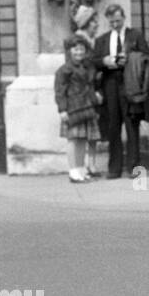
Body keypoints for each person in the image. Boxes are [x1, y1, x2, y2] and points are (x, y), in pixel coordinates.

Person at [92, 3, 149, 179]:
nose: (115, 25)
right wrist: (106, 61)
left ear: (124, 18)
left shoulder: (135, 35)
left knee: (132, 125)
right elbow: (94, 61)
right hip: (110, 84)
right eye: (112, 22)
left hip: (130, 85)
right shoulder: (102, 40)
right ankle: (114, 168)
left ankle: (135, 168)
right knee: (113, 126)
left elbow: (147, 57)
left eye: (117, 21)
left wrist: (131, 59)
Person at [55, 34, 101, 184]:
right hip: (73, 108)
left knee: (82, 139)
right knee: (73, 140)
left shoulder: (87, 67)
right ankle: (73, 171)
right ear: (69, 51)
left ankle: (80, 169)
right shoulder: (64, 70)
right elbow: (60, 91)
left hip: (86, 106)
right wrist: (62, 110)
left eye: (81, 49)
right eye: (75, 49)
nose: (79, 52)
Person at [72, 3, 102, 177]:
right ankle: (82, 165)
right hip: (83, 93)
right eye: (93, 22)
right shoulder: (79, 42)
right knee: (82, 133)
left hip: (92, 91)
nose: (96, 25)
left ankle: (90, 164)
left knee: (92, 131)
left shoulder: (90, 41)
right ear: (85, 24)